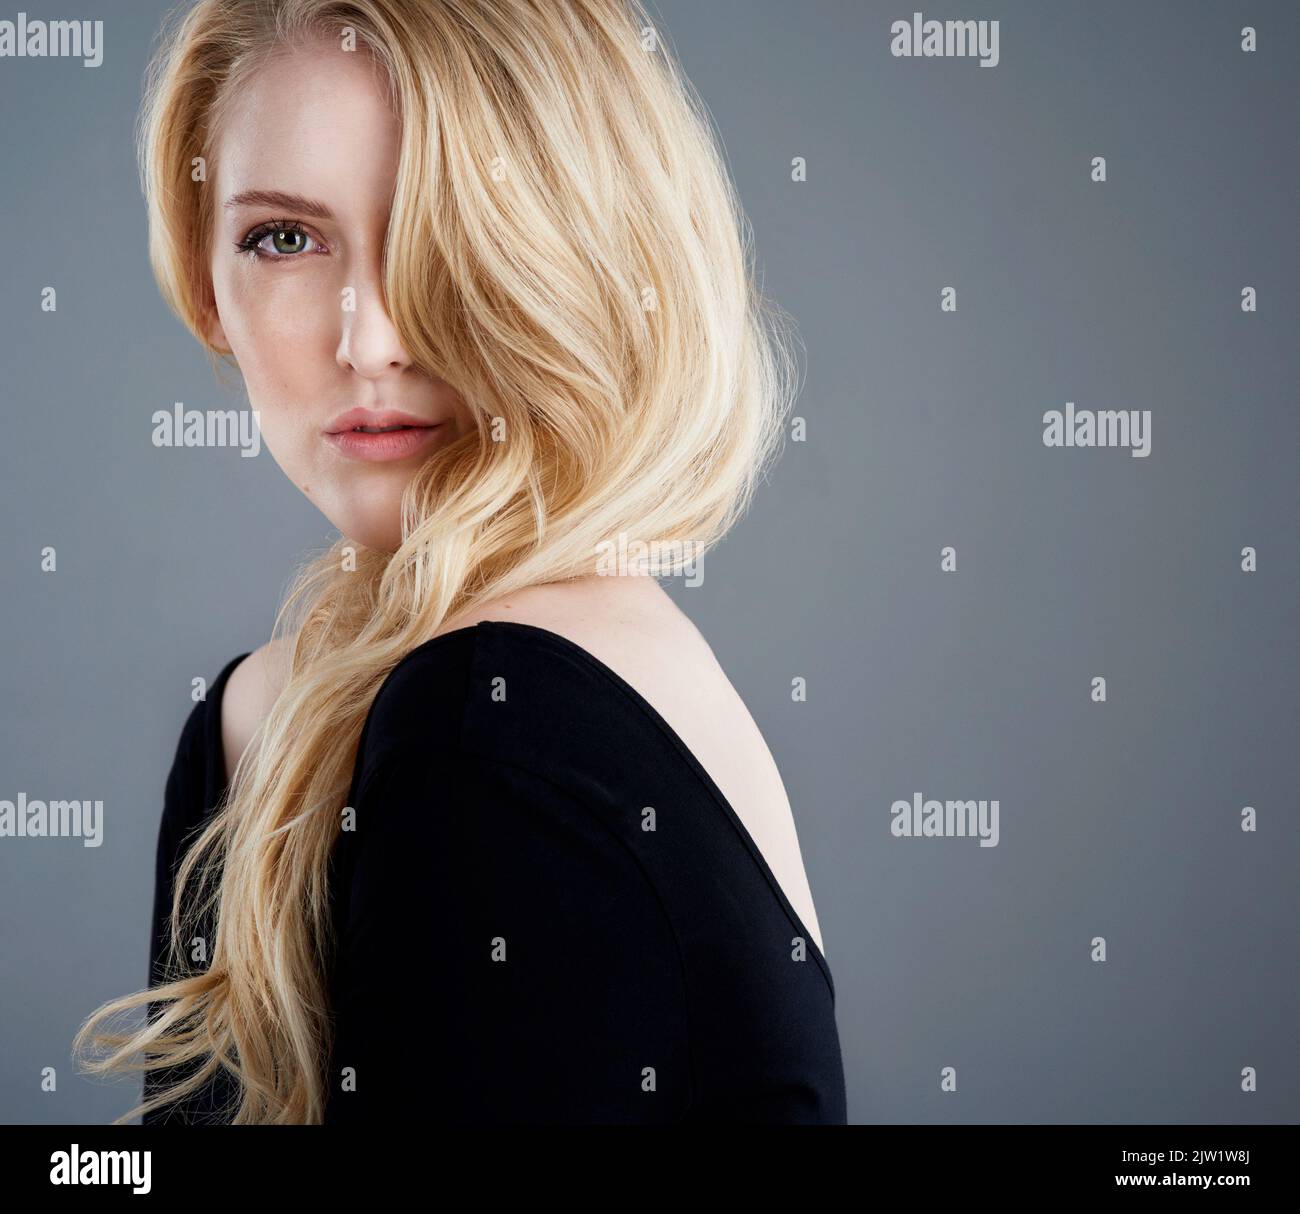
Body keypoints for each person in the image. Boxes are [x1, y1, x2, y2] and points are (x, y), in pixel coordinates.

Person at [74, 0, 845, 1124]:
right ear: (208, 290)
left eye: (445, 225)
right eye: (284, 237)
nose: (370, 335)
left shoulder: (495, 718)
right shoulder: (261, 716)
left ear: (580, 260)